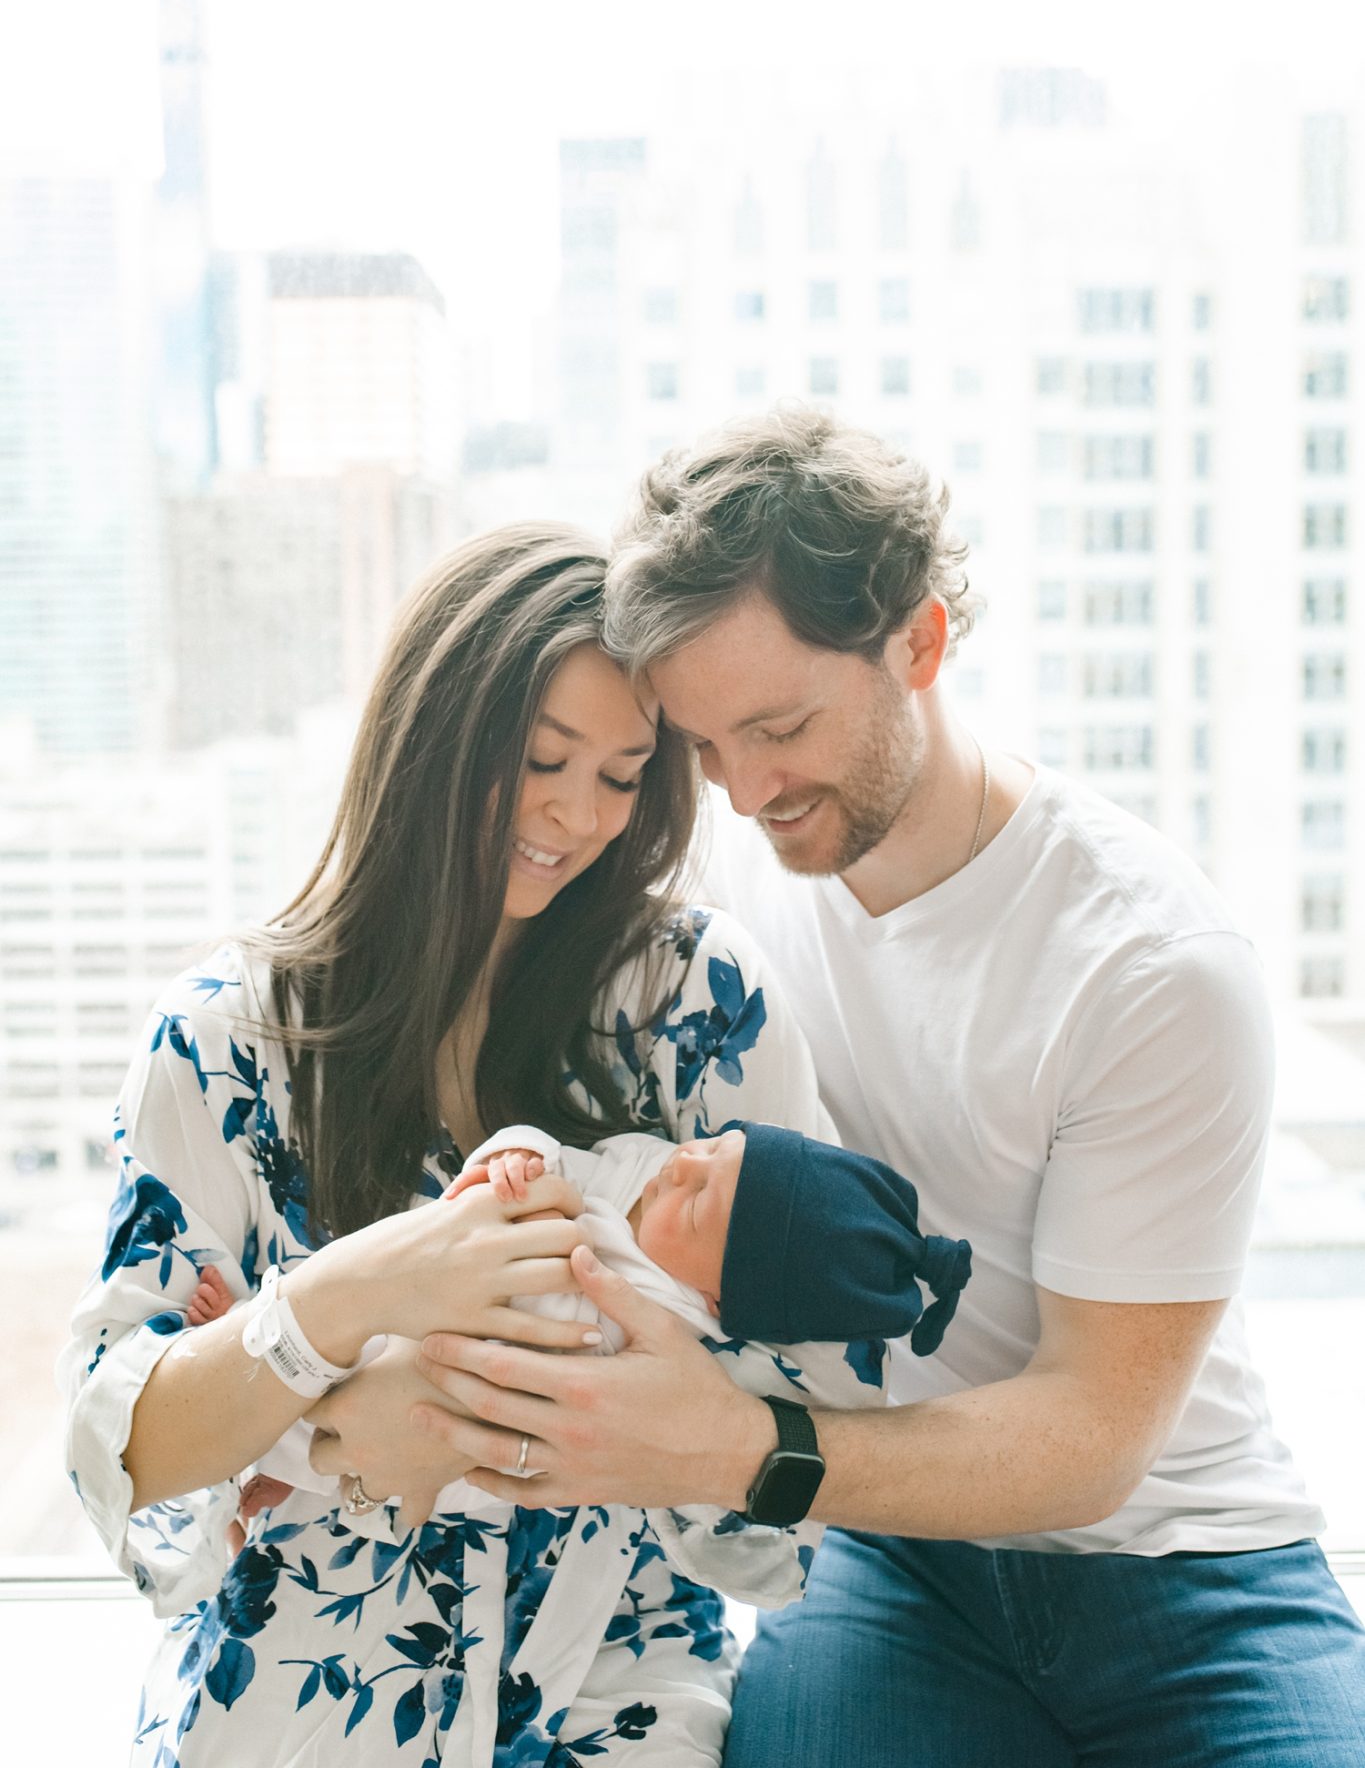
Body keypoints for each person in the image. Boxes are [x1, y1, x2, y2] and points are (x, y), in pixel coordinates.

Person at [412, 416, 1365, 1766]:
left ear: (919, 641)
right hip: (894, 1557)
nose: (747, 791)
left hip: (1190, 1562)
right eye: (705, 747)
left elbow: (1094, 1434)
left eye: (780, 727)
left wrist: (728, 1448)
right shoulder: (718, 909)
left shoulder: (1149, 964)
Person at [61, 522, 867, 1768]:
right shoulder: (224, 1040)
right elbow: (128, 1446)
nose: (577, 814)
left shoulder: (696, 1002)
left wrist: (474, 1424)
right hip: (296, 1688)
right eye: (543, 759)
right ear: (434, 735)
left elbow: (813, 1398)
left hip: (616, 1678)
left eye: (621, 775)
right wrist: (349, 1300)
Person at [181, 1117, 966, 1753]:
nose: (683, 1169)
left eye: (699, 1203)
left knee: (391, 1454)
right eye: (710, 1150)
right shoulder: (634, 1176)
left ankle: (272, 1455)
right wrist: (513, 1158)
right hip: (427, 1304)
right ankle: (252, 1357)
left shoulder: (681, 1326)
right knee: (351, 1333)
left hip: (486, 1428)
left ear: (719, 1301)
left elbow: (731, 1460)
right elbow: (554, 1155)